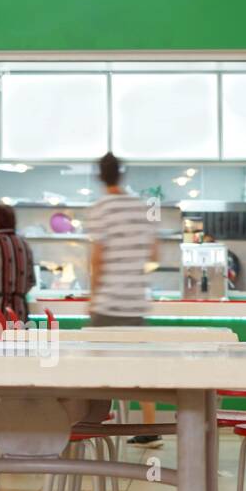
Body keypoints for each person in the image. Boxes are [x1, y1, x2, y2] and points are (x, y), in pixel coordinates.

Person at [86, 152, 162, 446]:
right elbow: (154, 254)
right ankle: (150, 429)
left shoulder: (100, 209)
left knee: (97, 371)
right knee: (140, 368)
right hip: (134, 302)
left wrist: (92, 297)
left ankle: (92, 428)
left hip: (108, 302)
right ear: (122, 174)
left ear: (100, 176)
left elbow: (98, 258)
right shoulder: (139, 207)